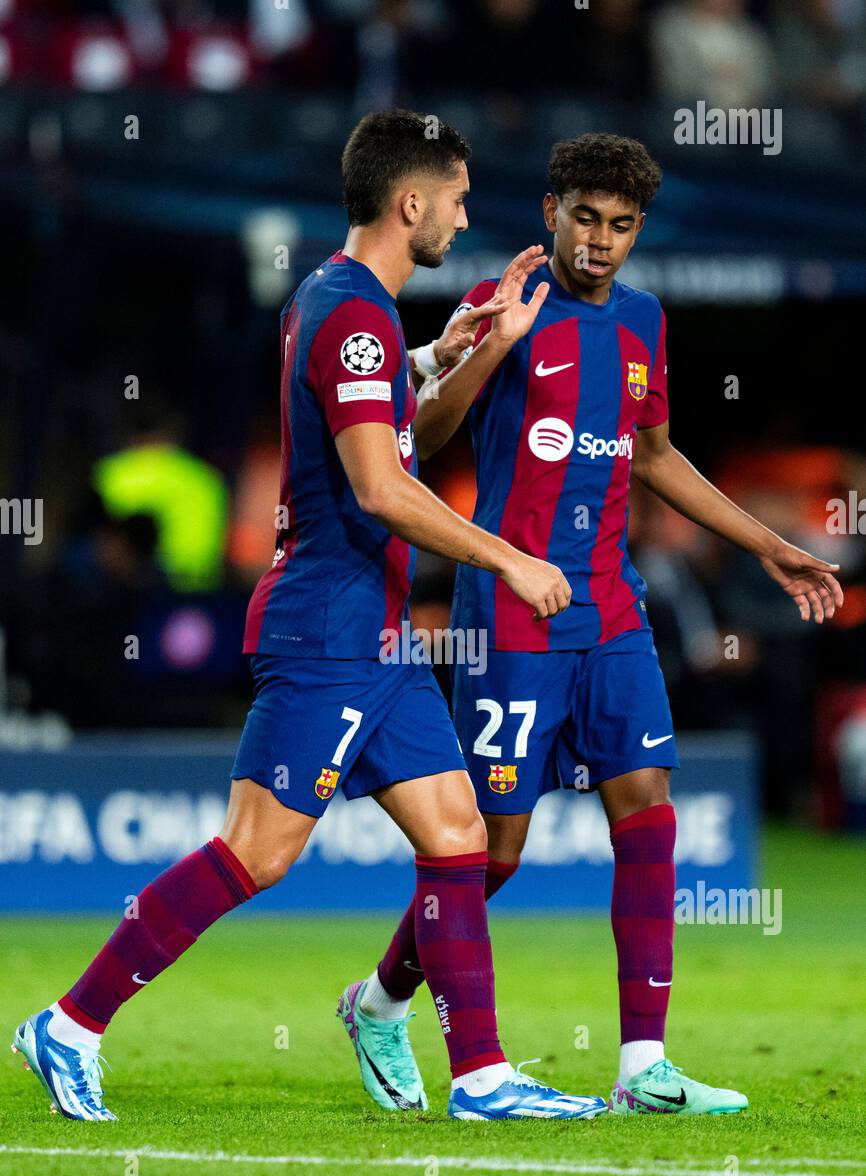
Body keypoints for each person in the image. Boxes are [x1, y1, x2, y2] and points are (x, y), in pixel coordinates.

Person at [12, 110, 605, 1124]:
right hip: (328, 623)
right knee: (257, 850)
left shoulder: (339, 304)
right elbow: (380, 486)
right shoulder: (352, 315)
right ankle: (69, 1024)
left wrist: (456, 354)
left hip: (377, 630)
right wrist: (508, 557)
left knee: (457, 833)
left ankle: (479, 1076)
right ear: (409, 202)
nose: (464, 219)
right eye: (456, 200)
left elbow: (395, 432)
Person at [350, 131, 844, 1117]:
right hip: (511, 610)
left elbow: (653, 455)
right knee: (494, 851)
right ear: (550, 212)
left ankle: (642, 1066)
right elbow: (419, 437)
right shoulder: (503, 300)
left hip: (610, 609)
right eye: (583, 218)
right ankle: (379, 1002)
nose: (598, 241)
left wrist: (765, 544)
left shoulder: (643, 321)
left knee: (646, 805)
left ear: (637, 230)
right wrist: (491, 345)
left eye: (619, 225)